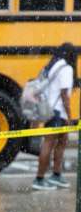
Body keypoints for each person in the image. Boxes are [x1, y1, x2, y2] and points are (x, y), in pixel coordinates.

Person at [32, 42, 76, 191]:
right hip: (58, 113)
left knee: (62, 142)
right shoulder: (67, 68)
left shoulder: (54, 65)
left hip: (52, 112)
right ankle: (39, 178)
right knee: (49, 144)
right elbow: (64, 95)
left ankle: (56, 175)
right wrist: (70, 115)